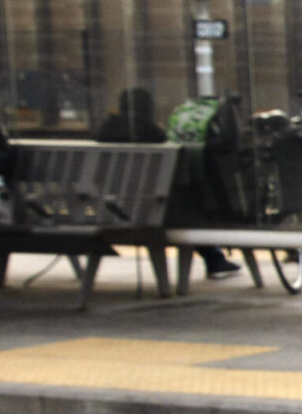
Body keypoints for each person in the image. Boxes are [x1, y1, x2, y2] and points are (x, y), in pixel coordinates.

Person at [98, 88, 238, 279]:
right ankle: (214, 258)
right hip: (149, 209)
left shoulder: (105, 131)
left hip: (109, 206)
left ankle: (215, 257)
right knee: (188, 204)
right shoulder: (151, 132)